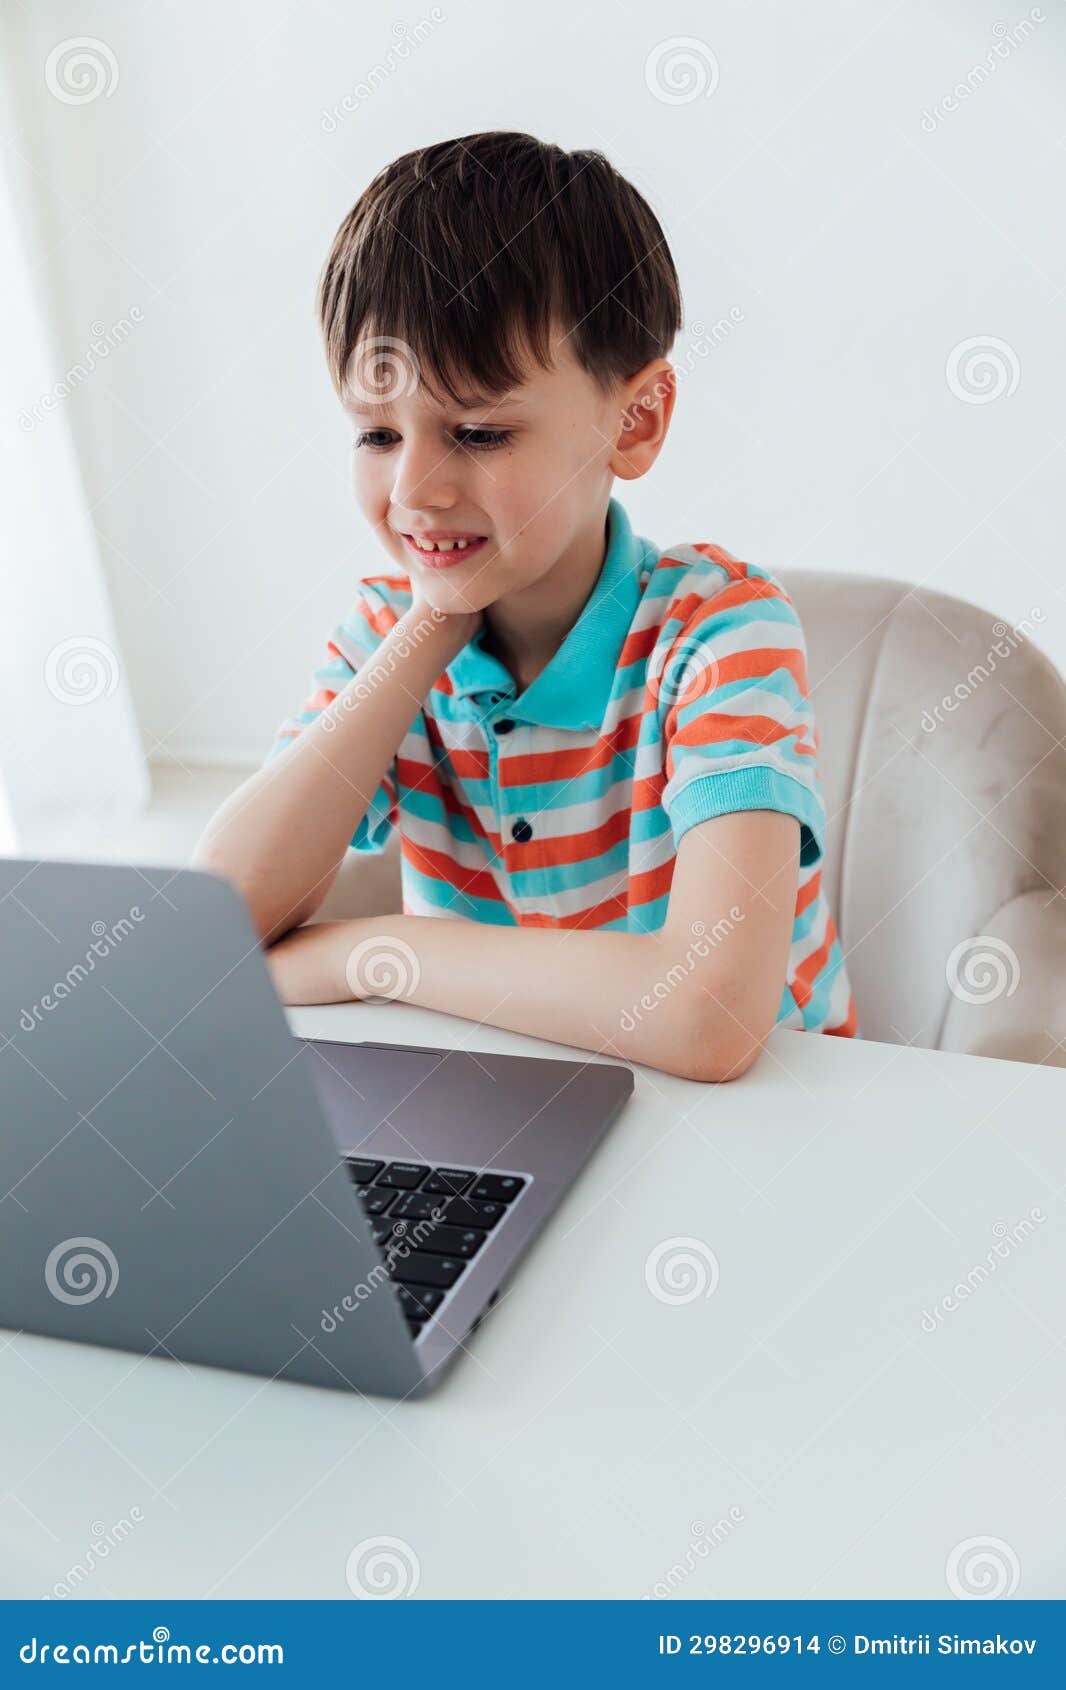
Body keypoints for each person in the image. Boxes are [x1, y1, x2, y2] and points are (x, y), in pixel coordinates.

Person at [193, 131, 857, 1082]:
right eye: (377, 432)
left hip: (765, 1130)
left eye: (478, 431)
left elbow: (707, 1018)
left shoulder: (721, 634)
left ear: (635, 421)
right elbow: (217, 920)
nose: (415, 490)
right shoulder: (385, 636)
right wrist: (432, 625)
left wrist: (367, 956)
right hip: (510, 1092)